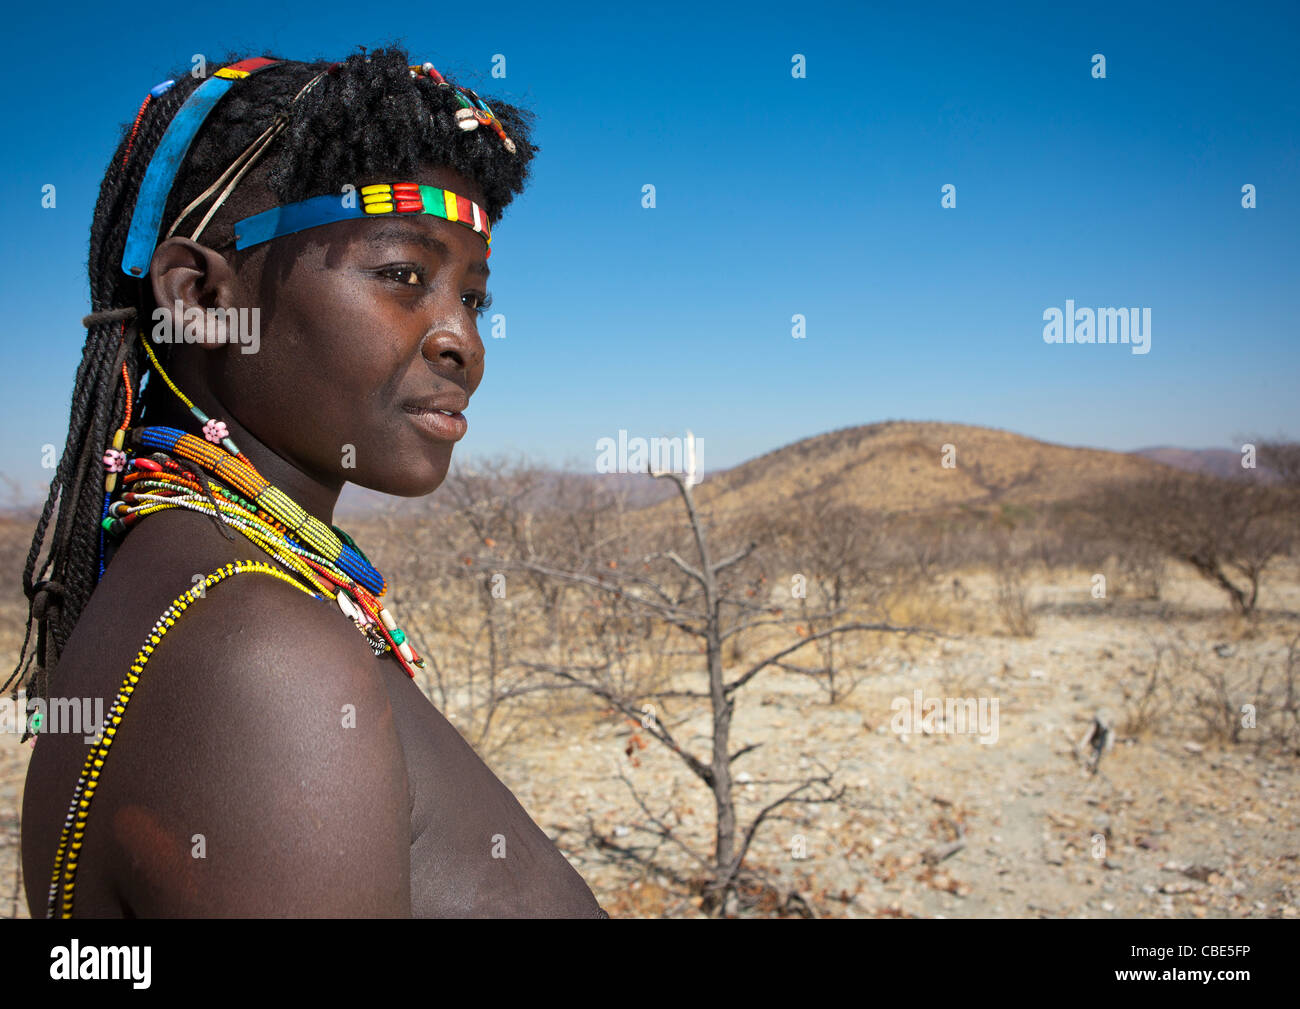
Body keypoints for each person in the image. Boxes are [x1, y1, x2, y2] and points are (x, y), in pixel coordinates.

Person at [9, 48, 608, 918]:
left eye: (472, 297)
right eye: (403, 274)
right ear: (203, 296)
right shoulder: (259, 654)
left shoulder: (205, 589)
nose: (463, 342)